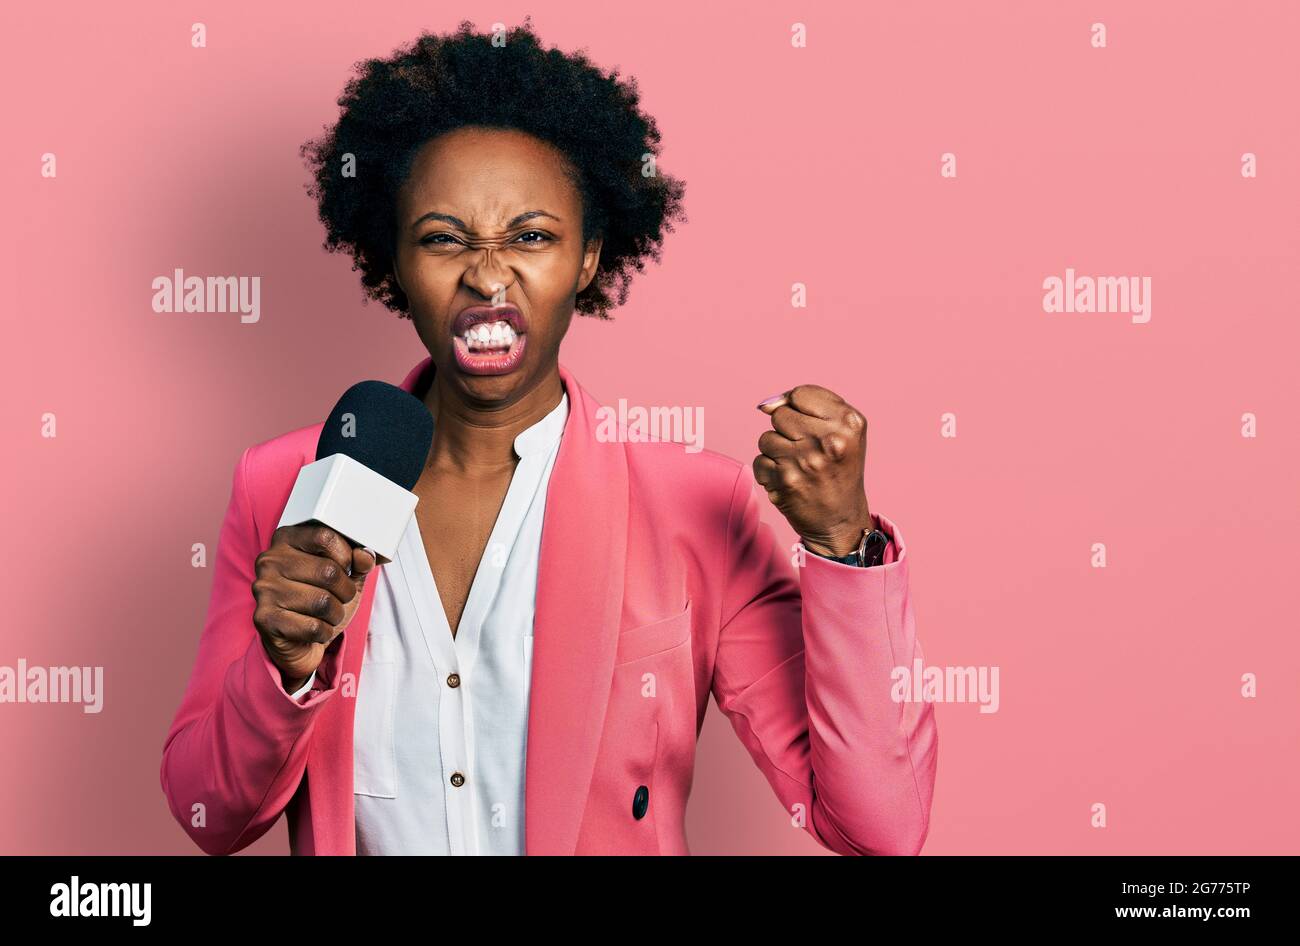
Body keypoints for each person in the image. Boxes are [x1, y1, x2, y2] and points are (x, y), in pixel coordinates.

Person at [160, 17, 937, 856]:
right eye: (442, 238)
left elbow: (879, 829)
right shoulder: (283, 483)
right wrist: (283, 670)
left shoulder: (696, 503)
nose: (487, 275)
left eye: (531, 237)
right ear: (393, 262)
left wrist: (843, 545)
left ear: (590, 257)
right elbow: (211, 815)